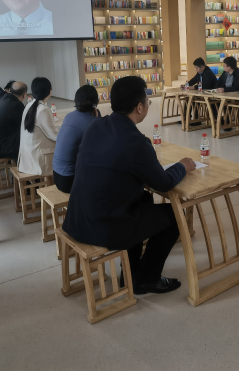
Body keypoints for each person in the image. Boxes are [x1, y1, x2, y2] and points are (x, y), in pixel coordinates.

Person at [62, 76, 197, 295]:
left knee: (144, 198)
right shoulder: (136, 141)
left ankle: (131, 272)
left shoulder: (96, 126)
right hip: (103, 225)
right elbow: (163, 183)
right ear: (139, 107)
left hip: (79, 216)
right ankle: (146, 280)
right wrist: (182, 166)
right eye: (147, 102)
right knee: (175, 216)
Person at [53, 85, 100, 193]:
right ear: (96, 102)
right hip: (70, 180)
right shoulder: (93, 122)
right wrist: (97, 119)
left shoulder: (69, 116)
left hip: (57, 175)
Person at [18, 77, 58, 176]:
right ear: (49, 92)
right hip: (38, 160)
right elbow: (55, 136)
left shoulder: (28, 105)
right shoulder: (43, 110)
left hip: (27, 157)